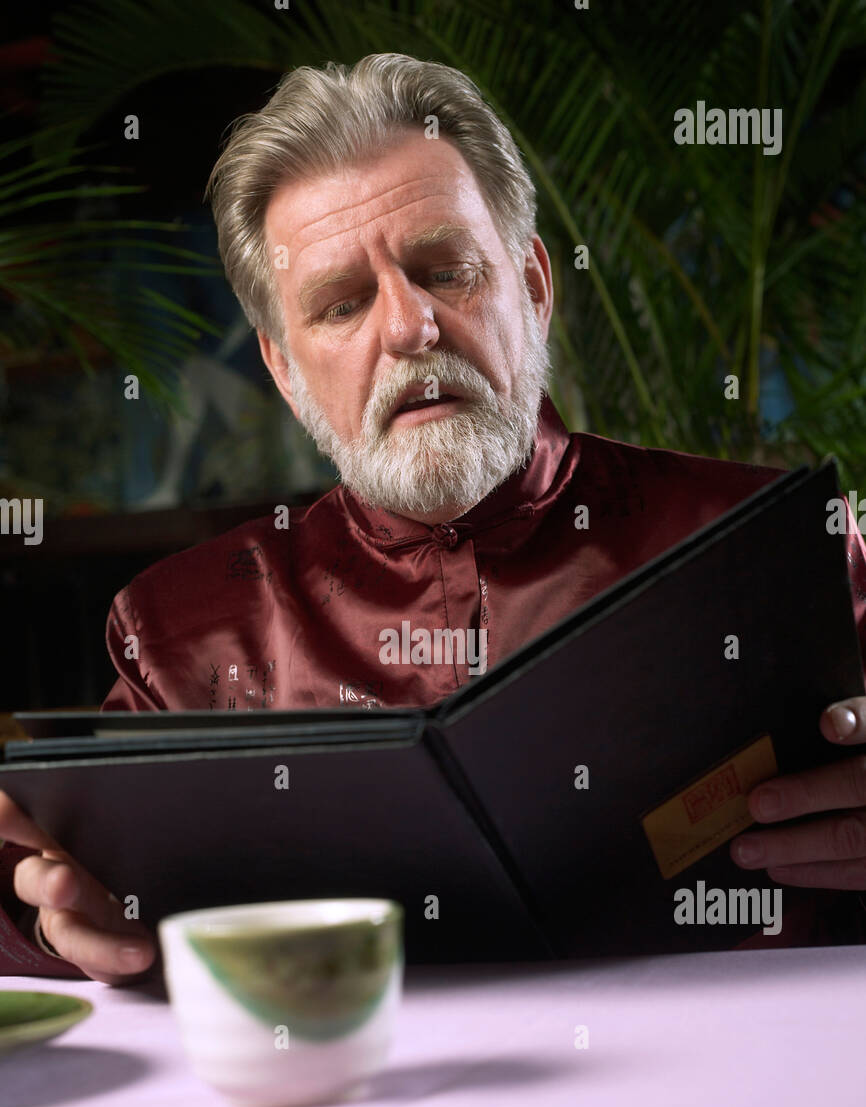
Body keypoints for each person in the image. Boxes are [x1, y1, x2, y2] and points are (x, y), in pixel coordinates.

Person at [2, 52, 865, 985]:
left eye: (443, 270)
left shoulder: (774, 545)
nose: (408, 327)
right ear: (287, 372)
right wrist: (51, 922)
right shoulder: (180, 634)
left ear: (533, 286)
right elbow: (50, 883)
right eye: (341, 303)